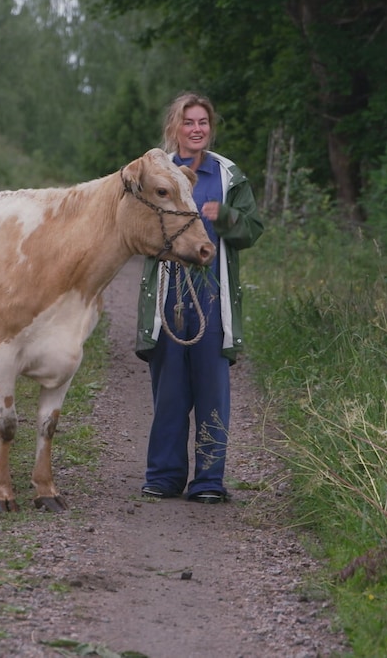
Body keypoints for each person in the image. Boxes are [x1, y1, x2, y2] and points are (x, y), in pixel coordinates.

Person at [134, 92, 264, 504]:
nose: (196, 129)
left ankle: (208, 481)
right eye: (188, 122)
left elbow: (252, 229)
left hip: (214, 295)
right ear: (176, 127)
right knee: (169, 390)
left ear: (210, 127)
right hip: (169, 293)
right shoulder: (157, 171)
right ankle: (164, 476)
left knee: (212, 391)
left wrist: (223, 217)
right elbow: (134, 225)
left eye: (202, 122)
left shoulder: (228, 175)